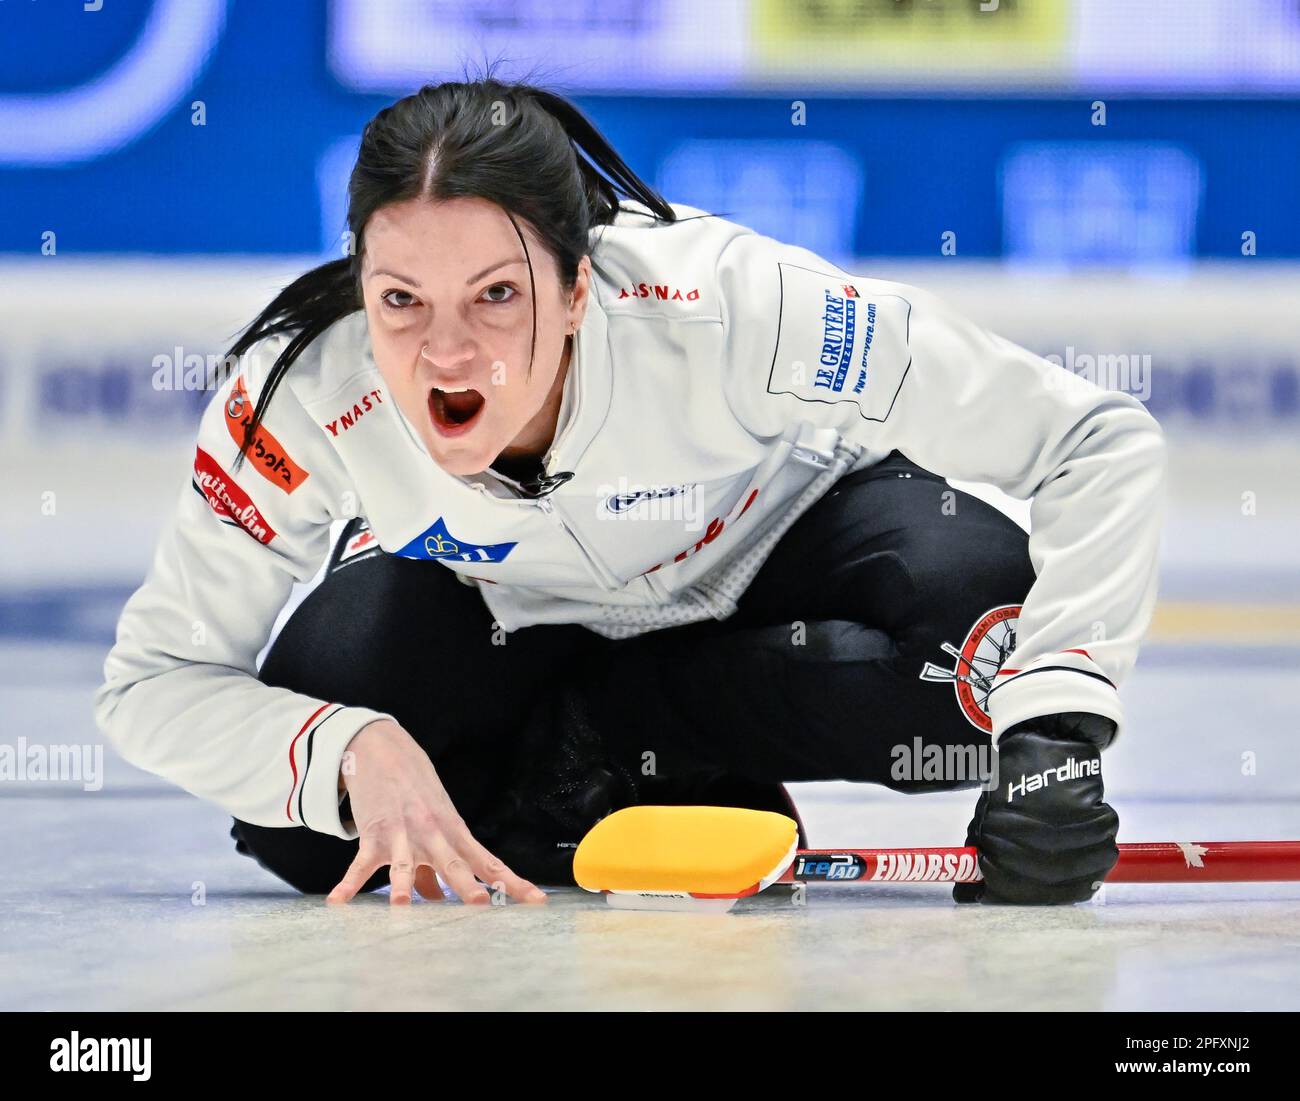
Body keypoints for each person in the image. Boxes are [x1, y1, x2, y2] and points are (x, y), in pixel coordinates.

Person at [94, 76, 1166, 908]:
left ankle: (630, 739)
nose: (445, 352)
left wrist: (1057, 741)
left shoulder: (734, 305)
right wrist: (349, 750)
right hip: (494, 605)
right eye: (400, 300)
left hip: (779, 539)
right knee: (309, 829)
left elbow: (1094, 437)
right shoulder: (302, 391)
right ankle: (602, 769)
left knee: (980, 677)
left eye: (497, 294)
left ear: (576, 288)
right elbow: (151, 682)